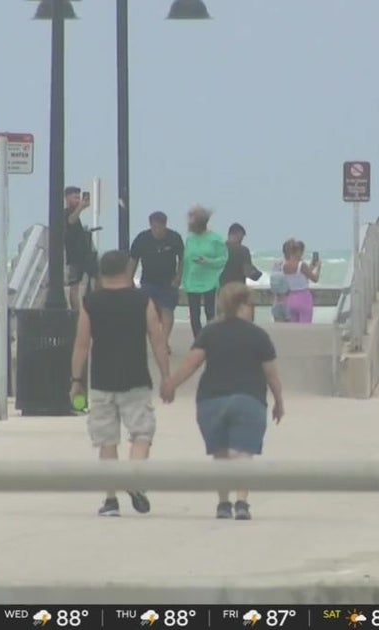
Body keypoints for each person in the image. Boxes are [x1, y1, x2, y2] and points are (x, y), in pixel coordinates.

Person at [160, 282, 284, 520]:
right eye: (251, 304)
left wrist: (171, 385)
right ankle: (242, 503)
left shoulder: (210, 332)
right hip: (249, 400)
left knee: (221, 454)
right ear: (241, 305)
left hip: (211, 401)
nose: (254, 309)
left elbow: (191, 364)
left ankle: (223, 504)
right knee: (243, 454)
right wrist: (279, 401)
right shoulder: (258, 335)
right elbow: (271, 375)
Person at [71, 249, 172, 517]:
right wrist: (166, 377)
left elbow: (82, 344)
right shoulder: (142, 301)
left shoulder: (90, 302)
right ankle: (134, 480)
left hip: (102, 382)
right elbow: (157, 339)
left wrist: (76, 380)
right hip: (136, 379)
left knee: (107, 441)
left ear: (102, 273)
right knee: (141, 434)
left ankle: (111, 500)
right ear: (127, 271)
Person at [128, 211, 185, 343]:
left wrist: (179, 277)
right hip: (148, 282)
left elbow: (182, 260)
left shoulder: (174, 237)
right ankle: (157, 339)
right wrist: (129, 279)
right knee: (149, 313)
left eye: (160, 226)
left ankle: (163, 341)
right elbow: (133, 260)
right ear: (151, 225)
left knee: (167, 310)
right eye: (155, 227)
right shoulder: (142, 238)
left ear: (165, 225)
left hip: (168, 282)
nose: (158, 230)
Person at [181, 205, 228, 339]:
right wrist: (183, 279)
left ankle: (212, 339)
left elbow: (223, 259)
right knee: (194, 315)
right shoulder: (190, 239)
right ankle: (199, 341)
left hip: (210, 282)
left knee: (210, 313)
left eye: (192, 220)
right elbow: (186, 261)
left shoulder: (216, 239)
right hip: (192, 281)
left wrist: (207, 261)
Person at [271, 239, 321, 323]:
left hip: (289, 298)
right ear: (297, 251)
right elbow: (315, 279)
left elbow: (299, 277)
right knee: (305, 327)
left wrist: (311, 267)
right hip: (304, 298)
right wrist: (318, 267)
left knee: (293, 328)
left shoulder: (281, 265)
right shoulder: (301, 265)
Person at [64, 186, 96, 310]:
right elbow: (70, 221)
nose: (77, 200)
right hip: (73, 256)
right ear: (67, 198)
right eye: (75, 197)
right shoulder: (66, 212)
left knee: (96, 277)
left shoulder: (75, 214)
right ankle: (75, 312)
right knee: (74, 286)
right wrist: (81, 207)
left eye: (79, 197)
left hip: (85, 254)